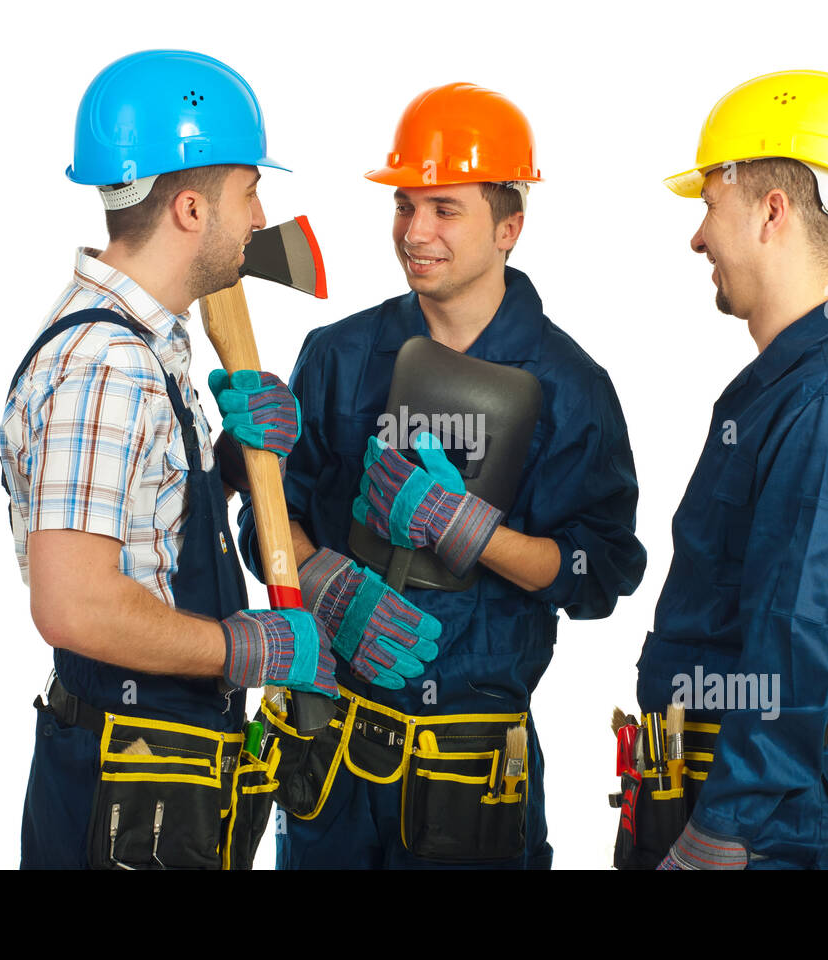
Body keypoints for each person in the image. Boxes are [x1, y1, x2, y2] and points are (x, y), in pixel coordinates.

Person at [240, 82, 646, 869]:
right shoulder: (339, 355)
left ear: (510, 228)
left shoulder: (571, 387)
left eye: (445, 209)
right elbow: (264, 513)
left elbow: (601, 574)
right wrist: (318, 575)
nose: (414, 232)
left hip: (472, 777)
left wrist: (476, 535)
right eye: (404, 206)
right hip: (329, 761)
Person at [0, 49, 335, 870]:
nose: (261, 220)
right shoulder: (107, 365)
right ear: (191, 207)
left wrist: (222, 464)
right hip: (125, 787)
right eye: (249, 193)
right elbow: (74, 604)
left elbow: (145, 527)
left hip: (161, 776)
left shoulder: (148, 347)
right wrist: (240, 649)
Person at [638, 70, 828, 869]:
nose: (697, 237)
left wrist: (720, 832)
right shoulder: (800, 383)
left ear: (770, 212)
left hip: (757, 823)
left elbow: (807, 638)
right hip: (722, 786)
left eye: (709, 206)